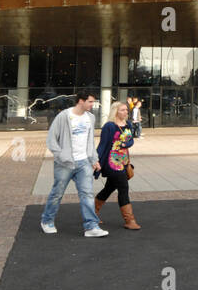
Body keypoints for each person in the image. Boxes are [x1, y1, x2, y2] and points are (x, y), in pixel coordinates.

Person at [40, 93, 107, 237]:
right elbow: (52, 140)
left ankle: (91, 227)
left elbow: (90, 141)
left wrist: (94, 159)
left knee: (87, 194)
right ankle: (47, 220)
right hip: (65, 163)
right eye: (90, 102)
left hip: (84, 163)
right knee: (57, 194)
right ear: (80, 101)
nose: (92, 105)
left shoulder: (90, 117)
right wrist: (61, 156)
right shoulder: (64, 116)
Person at [94, 101, 140, 230]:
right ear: (115, 111)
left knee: (109, 188)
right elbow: (102, 145)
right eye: (122, 110)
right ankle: (130, 220)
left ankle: (92, 213)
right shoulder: (109, 126)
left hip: (124, 162)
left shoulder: (128, 124)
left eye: (126, 110)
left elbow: (130, 141)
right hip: (112, 162)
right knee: (123, 188)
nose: (126, 112)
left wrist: (125, 145)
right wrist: (96, 161)